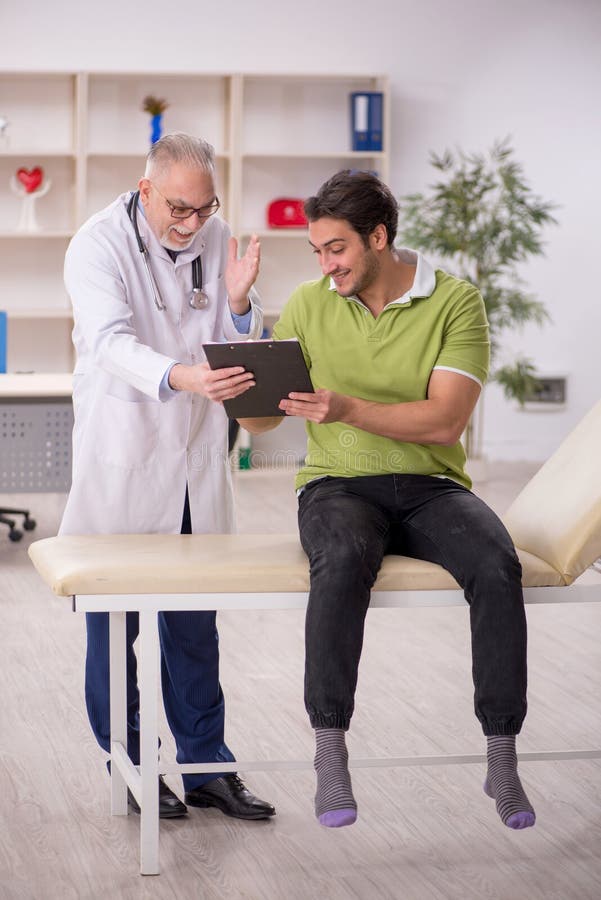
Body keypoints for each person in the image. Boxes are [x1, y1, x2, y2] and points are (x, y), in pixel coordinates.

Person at [240, 170, 535, 831]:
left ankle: (501, 756)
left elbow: (444, 422)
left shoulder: (455, 302)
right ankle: (329, 751)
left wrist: (347, 408)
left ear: (378, 237)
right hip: (337, 483)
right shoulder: (309, 304)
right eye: (317, 251)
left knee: (496, 564)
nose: (325, 265)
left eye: (336, 248)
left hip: (431, 486)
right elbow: (261, 423)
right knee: (342, 559)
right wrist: (245, 356)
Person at [60, 132, 275, 821]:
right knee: (113, 626)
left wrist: (239, 305)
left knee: (194, 624)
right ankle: (130, 766)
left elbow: (234, 342)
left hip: (196, 456)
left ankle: (206, 766)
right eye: (178, 209)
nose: (192, 223)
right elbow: (108, 342)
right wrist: (183, 376)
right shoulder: (97, 244)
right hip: (125, 455)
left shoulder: (216, 235)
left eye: (205, 209)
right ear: (146, 190)